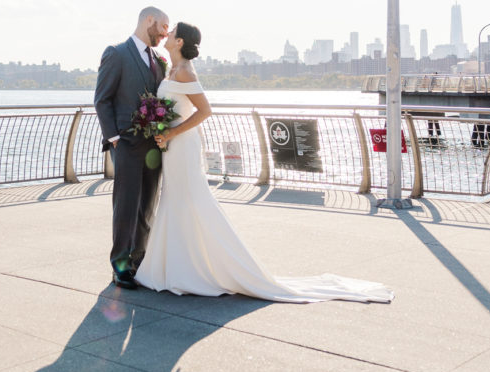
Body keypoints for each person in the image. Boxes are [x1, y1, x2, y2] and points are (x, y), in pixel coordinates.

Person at [135, 22, 393, 304]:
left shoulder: (185, 72)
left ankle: (194, 270)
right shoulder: (170, 69)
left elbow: (205, 110)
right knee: (173, 200)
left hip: (182, 144)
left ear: (180, 41)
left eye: (172, 33)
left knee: (190, 201)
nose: (167, 35)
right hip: (170, 146)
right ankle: (171, 266)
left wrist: (171, 131)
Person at [94, 6, 170, 288]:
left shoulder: (159, 60)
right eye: (163, 26)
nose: (165, 33)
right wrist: (114, 139)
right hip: (126, 143)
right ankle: (121, 267)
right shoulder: (116, 53)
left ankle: (140, 261)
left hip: (154, 146)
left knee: (147, 206)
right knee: (125, 206)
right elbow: (102, 99)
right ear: (148, 21)